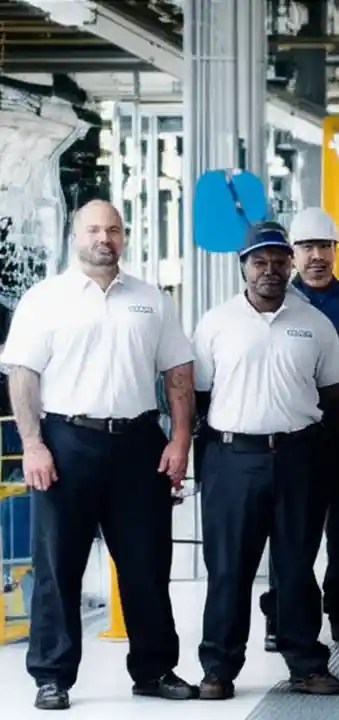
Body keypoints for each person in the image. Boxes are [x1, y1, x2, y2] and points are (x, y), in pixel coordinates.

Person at [1, 199, 199, 711]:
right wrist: (33, 444)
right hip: (66, 441)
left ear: (124, 236)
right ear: (75, 236)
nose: (103, 238)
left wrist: (180, 440)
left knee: (147, 565)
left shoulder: (152, 300)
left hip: (138, 443)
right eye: (94, 229)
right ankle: (52, 676)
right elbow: (23, 374)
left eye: (112, 229)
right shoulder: (45, 299)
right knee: (57, 566)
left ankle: (155, 669)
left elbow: (178, 373)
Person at [192, 221, 339, 699]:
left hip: (298, 459)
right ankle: (218, 669)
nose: (271, 270)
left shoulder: (315, 324)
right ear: (244, 267)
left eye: (280, 260)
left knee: (297, 567)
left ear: (290, 265)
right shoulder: (215, 323)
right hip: (232, 458)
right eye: (260, 261)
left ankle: (305, 663)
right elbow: (198, 398)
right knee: (229, 569)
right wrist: (203, 467)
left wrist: (338, 471)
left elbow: (333, 401)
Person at [257, 206, 339, 652]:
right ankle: (278, 615)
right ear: (293, 254)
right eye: (306, 248)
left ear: (336, 251)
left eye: (324, 246)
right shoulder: (276, 300)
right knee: (286, 530)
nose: (316, 256)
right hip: (291, 430)